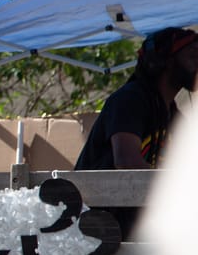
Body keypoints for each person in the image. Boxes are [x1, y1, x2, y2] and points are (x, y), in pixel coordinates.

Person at [74, 26, 198, 238]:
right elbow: (127, 161)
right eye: (194, 55)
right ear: (164, 61)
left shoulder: (171, 113)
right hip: (96, 230)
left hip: (129, 228)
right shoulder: (131, 100)